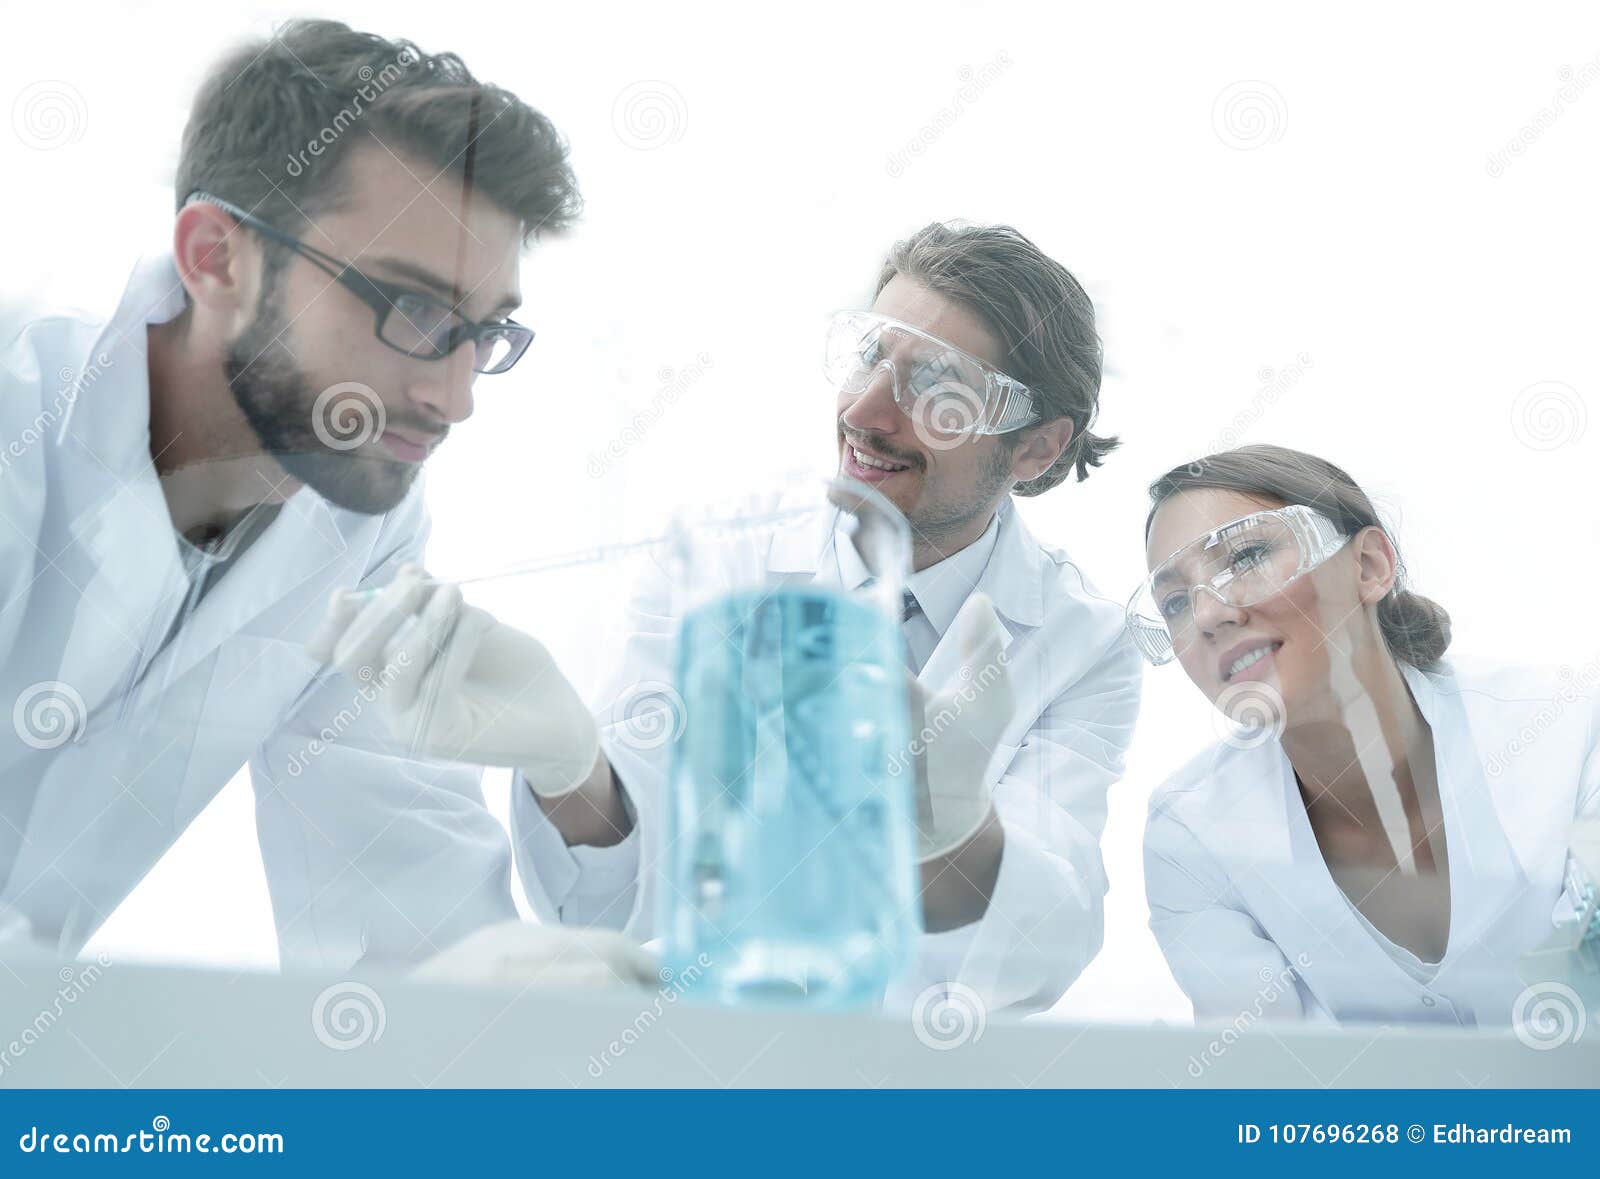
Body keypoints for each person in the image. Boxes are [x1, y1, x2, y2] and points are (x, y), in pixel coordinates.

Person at [327, 223, 1144, 1012]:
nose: (865, 411)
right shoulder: (719, 558)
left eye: (940, 388)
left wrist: (954, 834)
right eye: (870, 357)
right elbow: (615, 908)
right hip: (698, 1053)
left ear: (1036, 448)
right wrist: (569, 765)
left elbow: (1043, 947)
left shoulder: (1083, 643)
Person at [0, 19, 630, 978]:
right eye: (410, 309)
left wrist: (574, 776)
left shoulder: (359, 524)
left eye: (483, 332)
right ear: (217, 257)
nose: (452, 398)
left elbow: (412, 939)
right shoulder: (20, 404)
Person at [1135, 444, 1600, 1024]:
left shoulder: (1571, 728)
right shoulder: (1192, 836)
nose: (1207, 615)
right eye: (1175, 602)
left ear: (1369, 567)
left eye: (1248, 555)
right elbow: (1264, 1090)